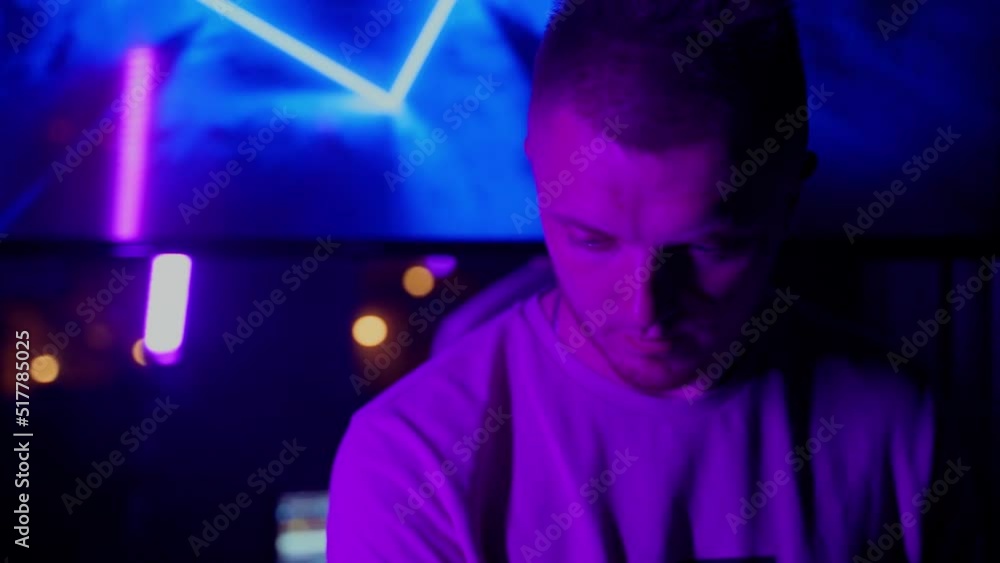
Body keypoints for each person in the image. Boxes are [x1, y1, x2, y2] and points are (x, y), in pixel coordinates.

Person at [327, 1, 934, 561]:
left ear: (788, 197)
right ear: (537, 179)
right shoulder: (413, 460)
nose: (644, 307)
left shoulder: (901, 427)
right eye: (592, 240)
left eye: (707, 247)